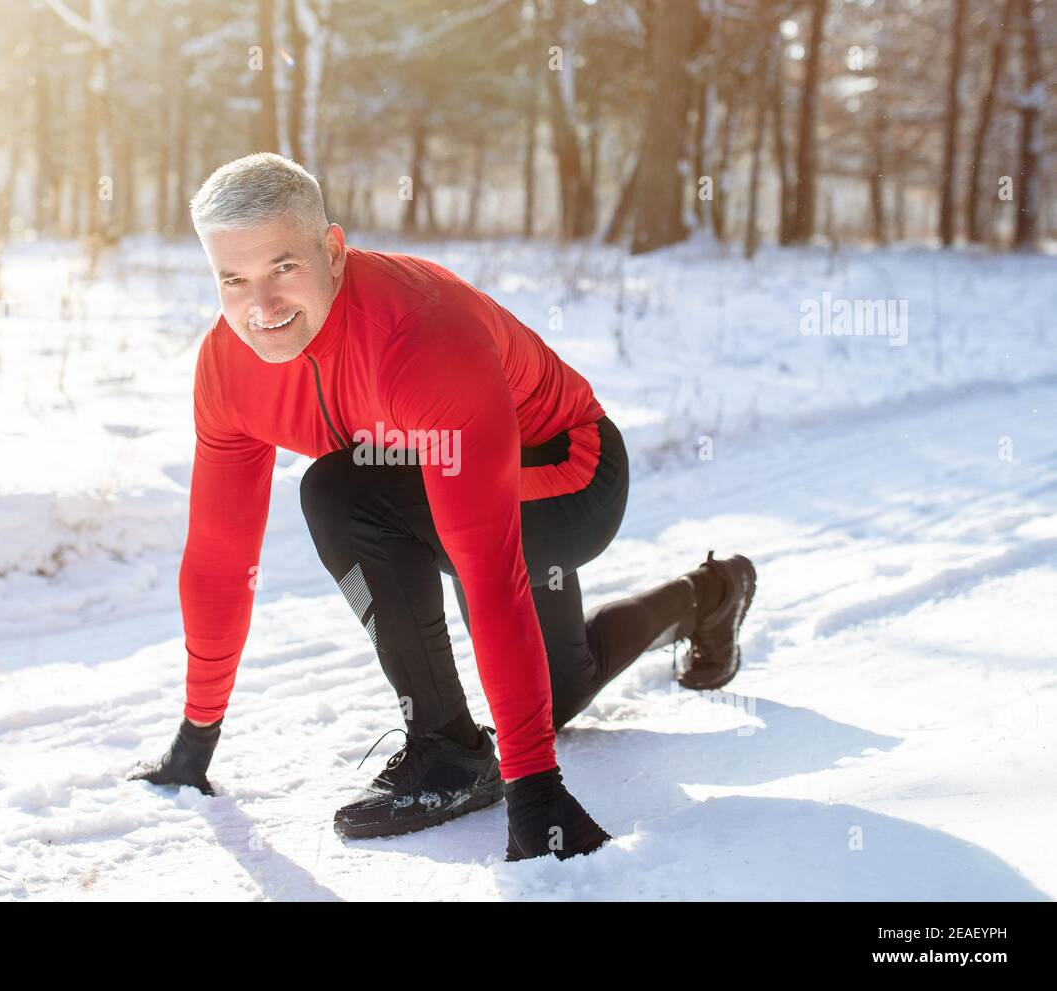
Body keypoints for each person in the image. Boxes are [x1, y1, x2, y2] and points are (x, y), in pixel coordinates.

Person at [128, 153, 756, 862]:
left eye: (282, 268)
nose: (261, 308)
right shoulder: (227, 367)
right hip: (429, 478)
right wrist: (196, 736)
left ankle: (449, 751)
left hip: (566, 472)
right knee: (555, 692)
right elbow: (218, 555)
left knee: (338, 493)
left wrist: (536, 791)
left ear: (332, 251)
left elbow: (489, 571)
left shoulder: (418, 337)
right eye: (232, 280)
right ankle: (707, 595)